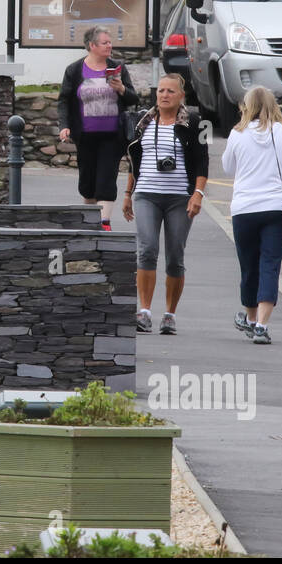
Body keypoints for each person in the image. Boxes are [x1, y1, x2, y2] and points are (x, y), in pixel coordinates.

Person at [124, 72, 209, 335]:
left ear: (182, 96)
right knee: (147, 249)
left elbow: (202, 162)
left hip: (179, 199)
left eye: (170, 91)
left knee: (175, 256)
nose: (164, 95)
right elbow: (133, 160)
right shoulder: (143, 121)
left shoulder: (197, 122)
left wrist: (198, 194)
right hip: (146, 195)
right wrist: (128, 194)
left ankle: (169, 315)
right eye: (161, 91)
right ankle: (145, 311)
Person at [222, 87, 282, 345]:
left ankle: (251, 316)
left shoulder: (237, 133)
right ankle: (262, 325)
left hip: (244, 208)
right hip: (276, 208)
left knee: (249, 265)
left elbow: (227, 167)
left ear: (246, 106)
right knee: (270, 264)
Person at [57, 26, 139, 232]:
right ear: (92, 46)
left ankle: (104, 223)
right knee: (87, 181)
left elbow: (133, 99)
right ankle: (89, 221)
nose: (109, 46)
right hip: (85, 136)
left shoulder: (118, 68)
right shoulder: (75, 70)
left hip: (112, 136)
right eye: (105, 43)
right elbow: (64, 101)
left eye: (110, 42)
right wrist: (64, 126)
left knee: (106, 178)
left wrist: (121, 89)